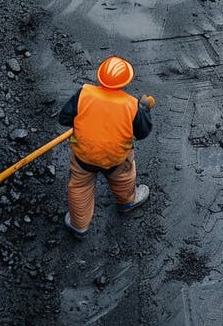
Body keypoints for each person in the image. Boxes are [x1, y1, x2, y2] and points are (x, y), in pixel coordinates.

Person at [58, 56, 155, 237]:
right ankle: (127, 202)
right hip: (116, 159)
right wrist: (144, 110)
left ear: (100, 76)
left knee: (79, 187)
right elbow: (143, 133)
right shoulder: (131, 105)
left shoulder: (83, 94)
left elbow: (64, 118)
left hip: (83, 156)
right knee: (124, 179)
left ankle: (78, 225)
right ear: (126, 81)